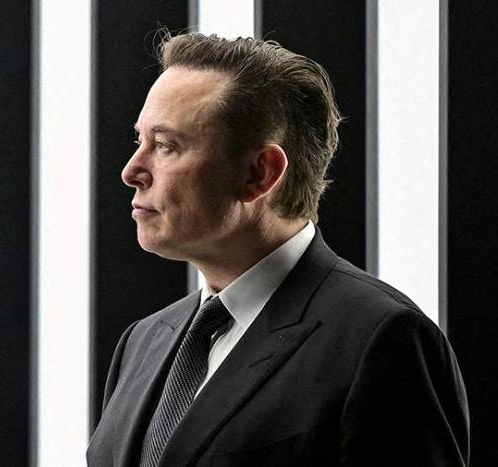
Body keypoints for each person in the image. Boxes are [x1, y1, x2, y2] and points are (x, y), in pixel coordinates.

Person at [87, 32, 469, 467]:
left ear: (260, 174)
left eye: (166, 146)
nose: (132, 170)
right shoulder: (142, 342)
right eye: (138, 141)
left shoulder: (381, 339)